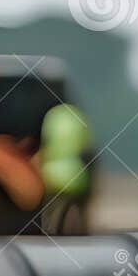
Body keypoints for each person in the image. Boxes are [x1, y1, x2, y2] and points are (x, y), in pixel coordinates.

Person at [37, 101, 92, 235]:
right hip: (76, 174)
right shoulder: (79, 118)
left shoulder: (51, 117)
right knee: (77, 205)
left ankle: (48, 229)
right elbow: (86, 146)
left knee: (51, 206)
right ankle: (81, 227)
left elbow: (44, 145)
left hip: (51, 174)